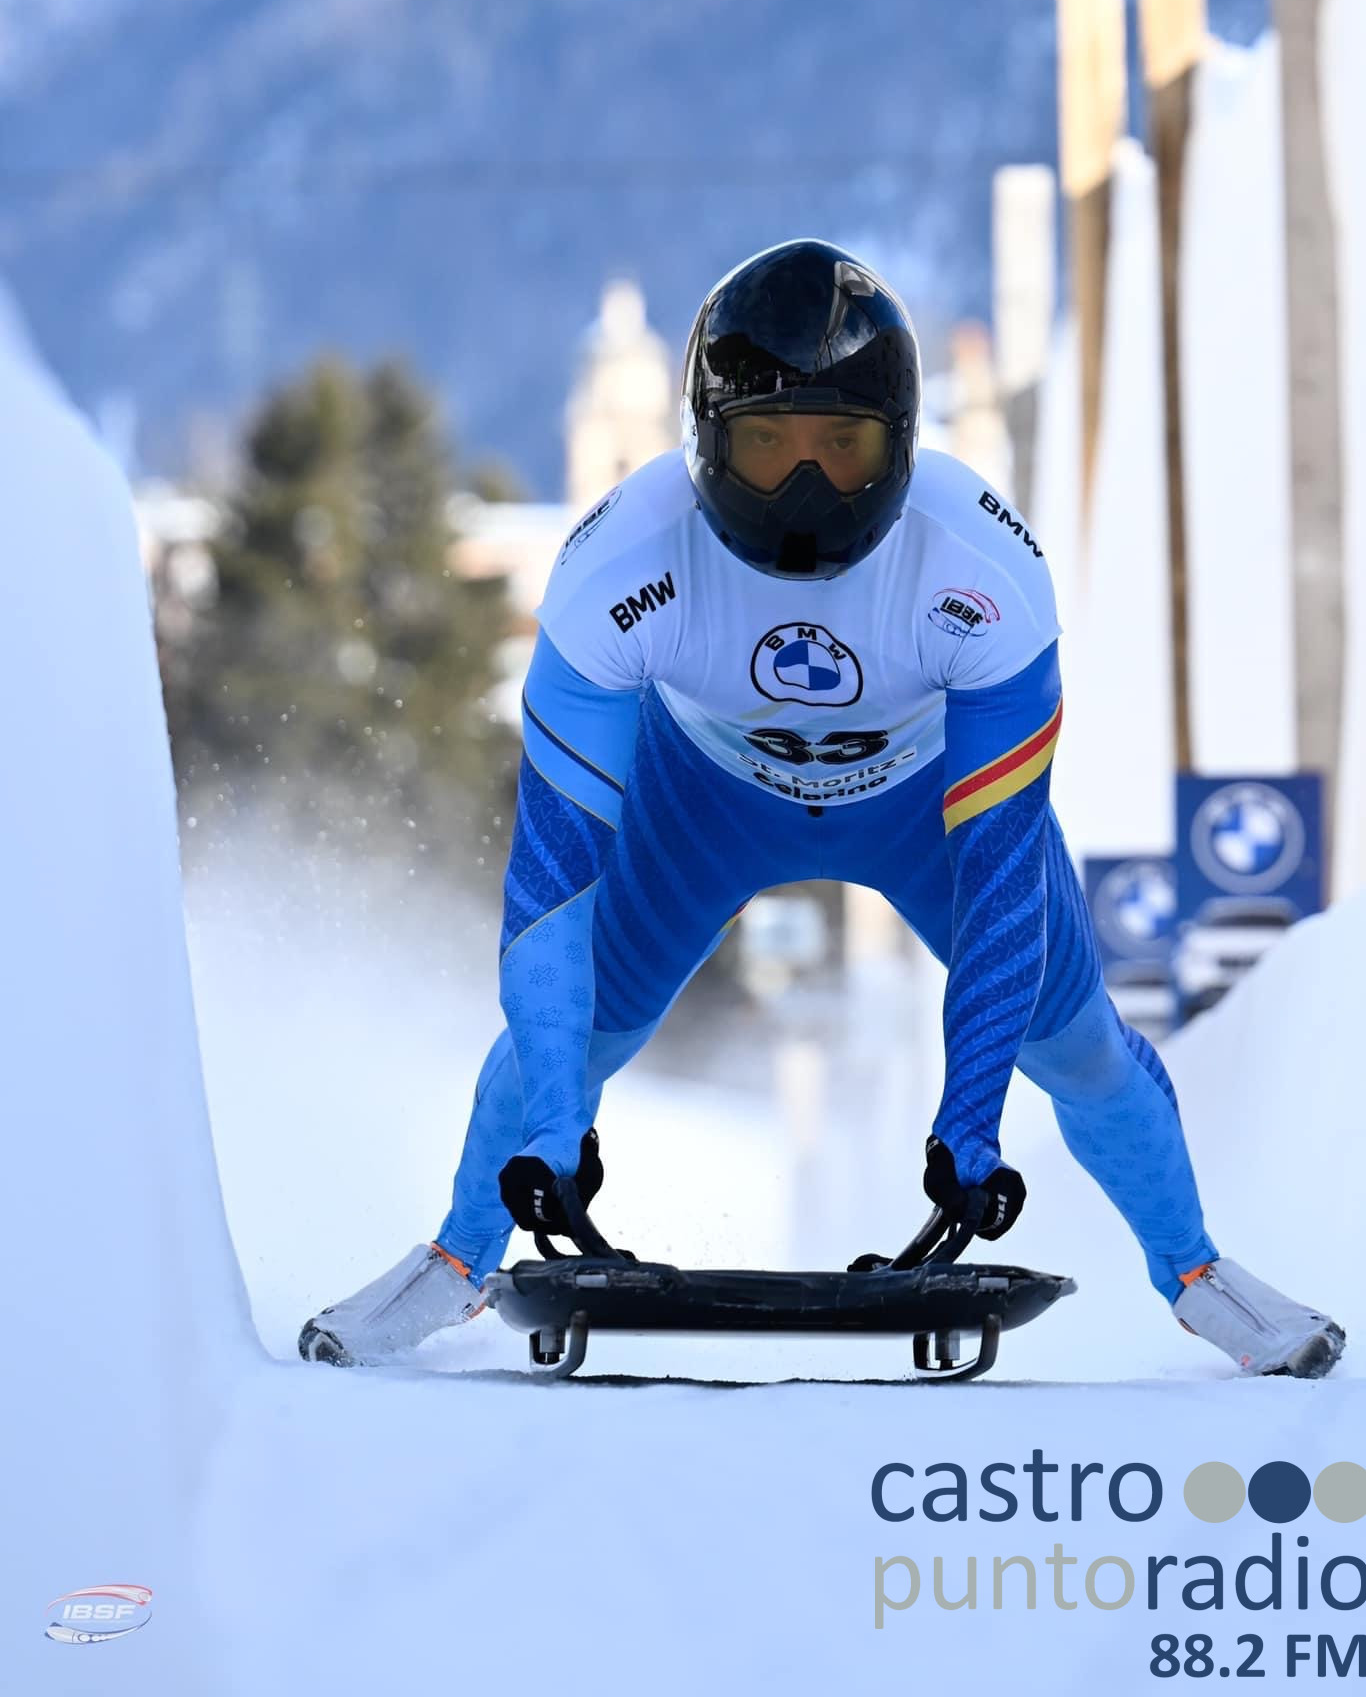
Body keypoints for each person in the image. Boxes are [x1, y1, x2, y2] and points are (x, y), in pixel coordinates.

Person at [299, 239, 1344, 1379]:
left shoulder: (986, 573)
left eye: (839, 448)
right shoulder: (612, 571)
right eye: (766, 445)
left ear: (899, 445)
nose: (804, 488)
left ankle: (1196, 1272)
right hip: (699, 799)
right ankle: (456, 1257)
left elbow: (999, 882)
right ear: (704, 443)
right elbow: (553, 892)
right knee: (584, 1031)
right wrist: (556, 1135)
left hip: (923, 804)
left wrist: (970, 1126)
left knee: (1076, 1041)